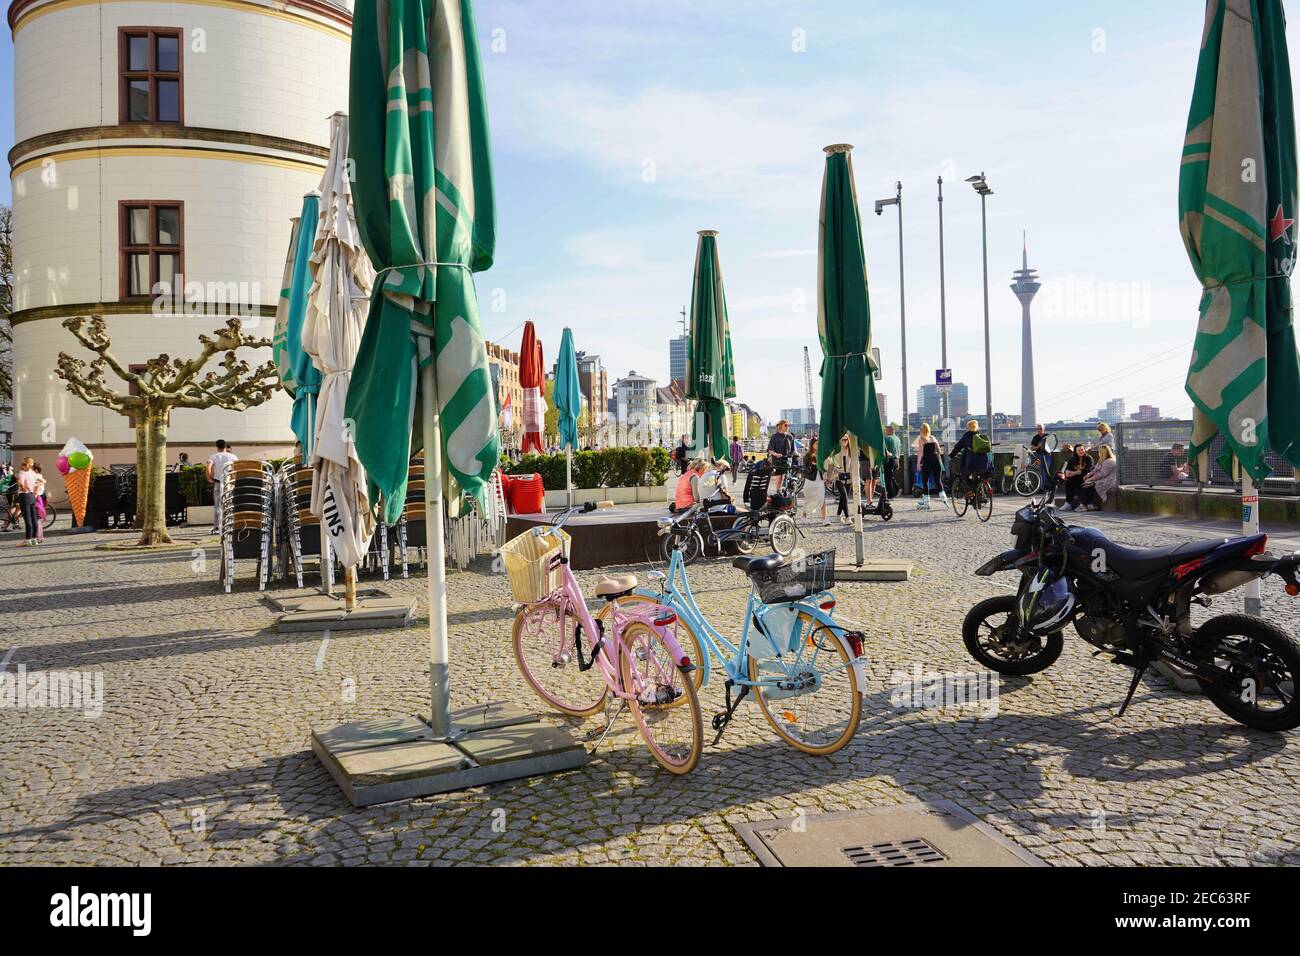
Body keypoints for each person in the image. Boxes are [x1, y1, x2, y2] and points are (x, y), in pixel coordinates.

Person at [206, 440, 239, 535]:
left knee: (217, 505)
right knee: (230, 503)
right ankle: (230, 525)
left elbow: (208, 467)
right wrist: (234, 479)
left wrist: (209, 478)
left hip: (217, 482)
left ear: (217, 447)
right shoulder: (233, 457)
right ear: (226, 447)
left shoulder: (214, 456)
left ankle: (216, 527)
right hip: (229, 482)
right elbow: (237, 468)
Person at [915, 423, 945, 509]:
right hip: (936, 461)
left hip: (927, 461)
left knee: (925, 481)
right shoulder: (933, 438)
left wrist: (918, 465)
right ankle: (943, 497)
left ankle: (926, 501)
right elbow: (939, 451)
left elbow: (920, 453)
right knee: (938, 480)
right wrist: (937, 458)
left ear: (921, 430)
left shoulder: (921, 439)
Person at [1080, 445, 1117, 511]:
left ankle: (1084, 505)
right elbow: (1095, 469)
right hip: (1102, 479)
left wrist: (1090, 479)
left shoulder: (1109, 461)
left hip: (1109, 480)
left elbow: (1102, 474)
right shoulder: (1101, 460)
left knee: (1089, 486)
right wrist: (1088, 475)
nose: (1098, 453)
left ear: (1103, 453)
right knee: (1086, 485)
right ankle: (1089, 504)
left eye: (1100, 452)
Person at [14, 457, 41, 546]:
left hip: (24, 496)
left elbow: (21, 484)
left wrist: (25, 489)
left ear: (24, 463)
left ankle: (28, 540)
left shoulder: (22, 473)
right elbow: (42, 481)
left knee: (27, 519)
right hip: (32, 496)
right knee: (34, 519)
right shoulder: (33, 473)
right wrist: (34, 489)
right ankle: (34, 539)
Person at [800, 437, 827, 522]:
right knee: (808, 499)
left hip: (820, 480)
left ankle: (825, 519)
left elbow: (825, 467)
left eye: (819, 443)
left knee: (822, 499)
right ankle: (804, 516)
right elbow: (804, 469)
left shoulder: (822, 455)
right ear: (812, 445)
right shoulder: (807, 456)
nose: (818, 445)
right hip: (810, 480)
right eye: (816, 444)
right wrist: (813, 466)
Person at [1060, 443, 1094, 510]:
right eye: (1079, 450)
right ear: (1075, 451)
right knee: (1068, 481)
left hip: (1085, 478)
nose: (1081, 451)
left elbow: (1089, 469)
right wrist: (1066, 472)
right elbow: (1068, 468)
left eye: (1082, 450)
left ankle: (1083, 505)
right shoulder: (1072, 459)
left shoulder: (1089, 458)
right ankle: (1068, 503)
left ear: (1084, 450)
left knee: (1086, 484)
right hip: (1075, 479)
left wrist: (1075, 473)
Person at [882, 425, 902, 498]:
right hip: (896, 460)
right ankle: (897, 489)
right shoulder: (897, 439)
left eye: (886, 430)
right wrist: (898, 461)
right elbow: (899, 451)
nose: (885, 432)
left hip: (889, 460)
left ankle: (890, 495)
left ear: (889, 431)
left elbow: (885, 451)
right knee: (890, 476)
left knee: (887, 478)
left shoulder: (887, 438)